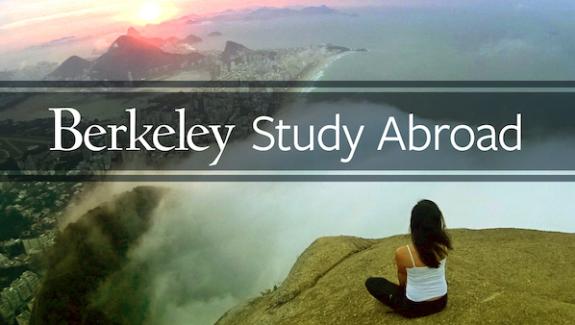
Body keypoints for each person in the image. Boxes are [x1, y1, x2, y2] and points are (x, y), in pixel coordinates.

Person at [365, 199, 452, 318]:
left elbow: (402, 279)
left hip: (414, 307)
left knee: (372, 283)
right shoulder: (444, 246)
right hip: (441, 302)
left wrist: (404, 290)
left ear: (414, 224)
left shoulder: (403, 252)